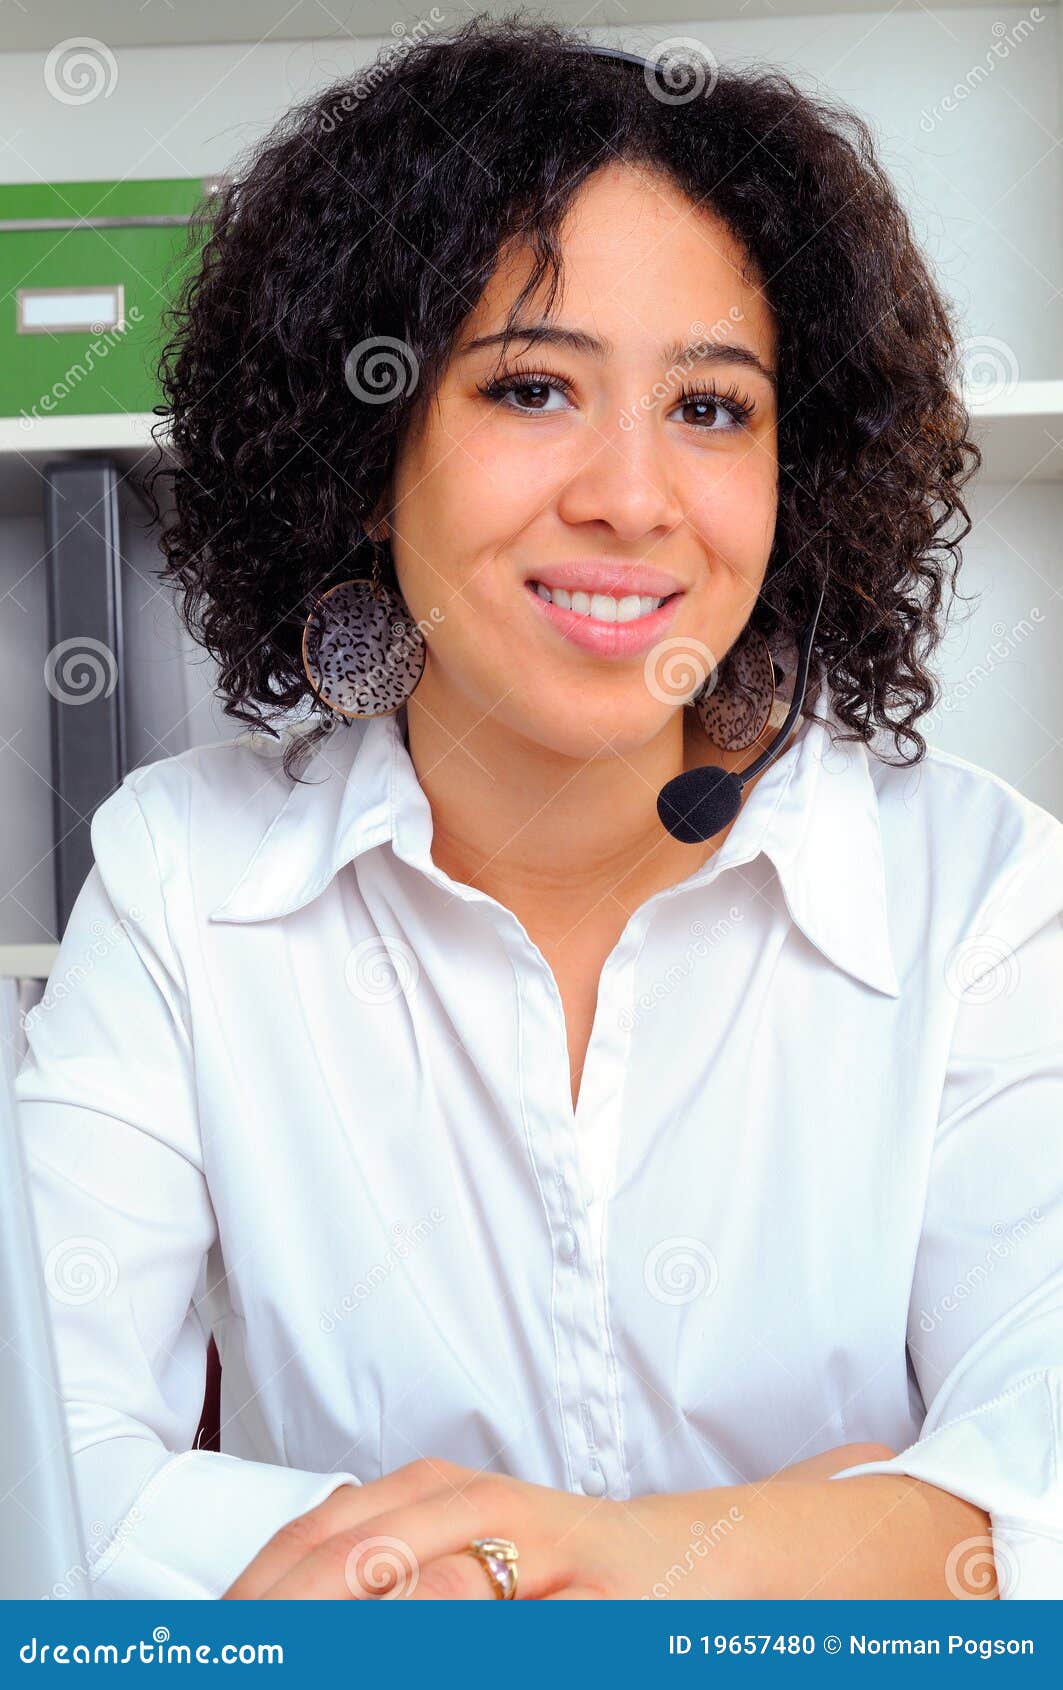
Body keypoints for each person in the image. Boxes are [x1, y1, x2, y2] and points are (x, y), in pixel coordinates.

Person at [16, 15, 1063, 1601]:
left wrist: (611, 1560)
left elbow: (1041, 1482)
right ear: (366, 449)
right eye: (530, 388)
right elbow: (49, 1467)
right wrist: (847, 1537)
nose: (631, 497)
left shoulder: (978, 892)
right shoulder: (180, 873)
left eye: (712, 408)